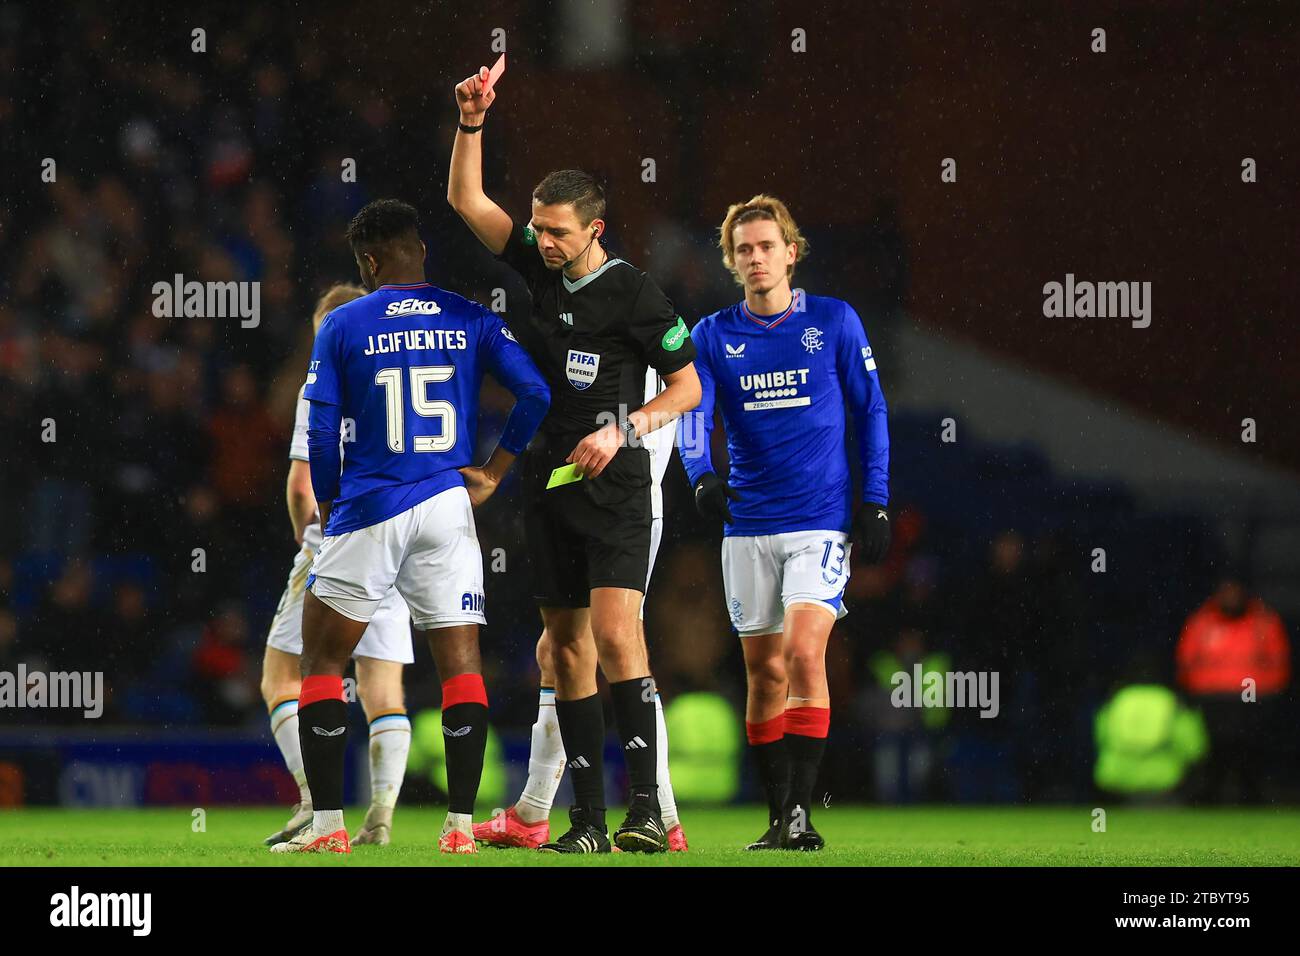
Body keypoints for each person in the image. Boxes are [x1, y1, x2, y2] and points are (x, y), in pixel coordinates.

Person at [447, 65, 702, 853]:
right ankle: (586, 821)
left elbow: (689, 388)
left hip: (617, 481)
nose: (543, 241)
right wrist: (472, 121)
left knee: (620, 635)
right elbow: (465, 201)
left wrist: (624, 428)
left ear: (594, 229)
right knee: (561, 649)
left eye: (558, 231)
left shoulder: (635, 294)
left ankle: (650, 810)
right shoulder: (534, 262)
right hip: (549, 482)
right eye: (539, 227)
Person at [271, 199, 550, 854]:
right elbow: (536, 392)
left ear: (368, 262)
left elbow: (318, 426)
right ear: (418, 247)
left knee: (321, 661)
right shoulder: (471, 317)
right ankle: (458, 828)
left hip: (369, 506)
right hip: (448, 503)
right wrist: (496, 470)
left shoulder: (343, 324)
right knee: (460, 666)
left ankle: (330, 828)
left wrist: (334, 502)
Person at [677, 195, 891, 850]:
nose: (756, 257)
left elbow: (871, 411)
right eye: (744, 249)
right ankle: (777, 819)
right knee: (764, 672)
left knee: (804, 653)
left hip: (819, 524)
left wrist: (876, 499)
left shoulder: (835, 322)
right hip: (747, 527)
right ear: (731, 260)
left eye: (767, 246)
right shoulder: (712, 334)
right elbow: (692, 413)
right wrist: (700, 476)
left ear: (790, 253)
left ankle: (801, 814)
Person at [472, 368, 689, 851]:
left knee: (613, 642)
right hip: (601, 494)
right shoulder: (632, 326)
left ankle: (665, 818)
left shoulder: (638, 330)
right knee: (559, 648)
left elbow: (678, 403)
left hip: (624, 500)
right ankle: (533, 810)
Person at [260, 283, 416, 848]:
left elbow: (302, 483)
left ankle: (312, 802)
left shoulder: (320, 382)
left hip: (336, 542)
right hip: (398, 539)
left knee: (284, 675)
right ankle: (381, 814)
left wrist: (307, 534)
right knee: (383, 688)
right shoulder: (391, 377)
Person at [1176, 571, 1290, 803]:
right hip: (1212, 699)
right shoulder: (1202, 622)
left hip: (1251, 699)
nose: (1231, 597)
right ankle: (1209, 796)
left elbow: (1278, 661)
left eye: (1235, 591)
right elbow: (1186, 661)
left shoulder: (1263, 621)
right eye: (1226, 591)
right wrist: (1198, 689)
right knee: (1213, 750)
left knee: (1249, 750)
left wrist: (1268, 692)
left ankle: (1252, 797)